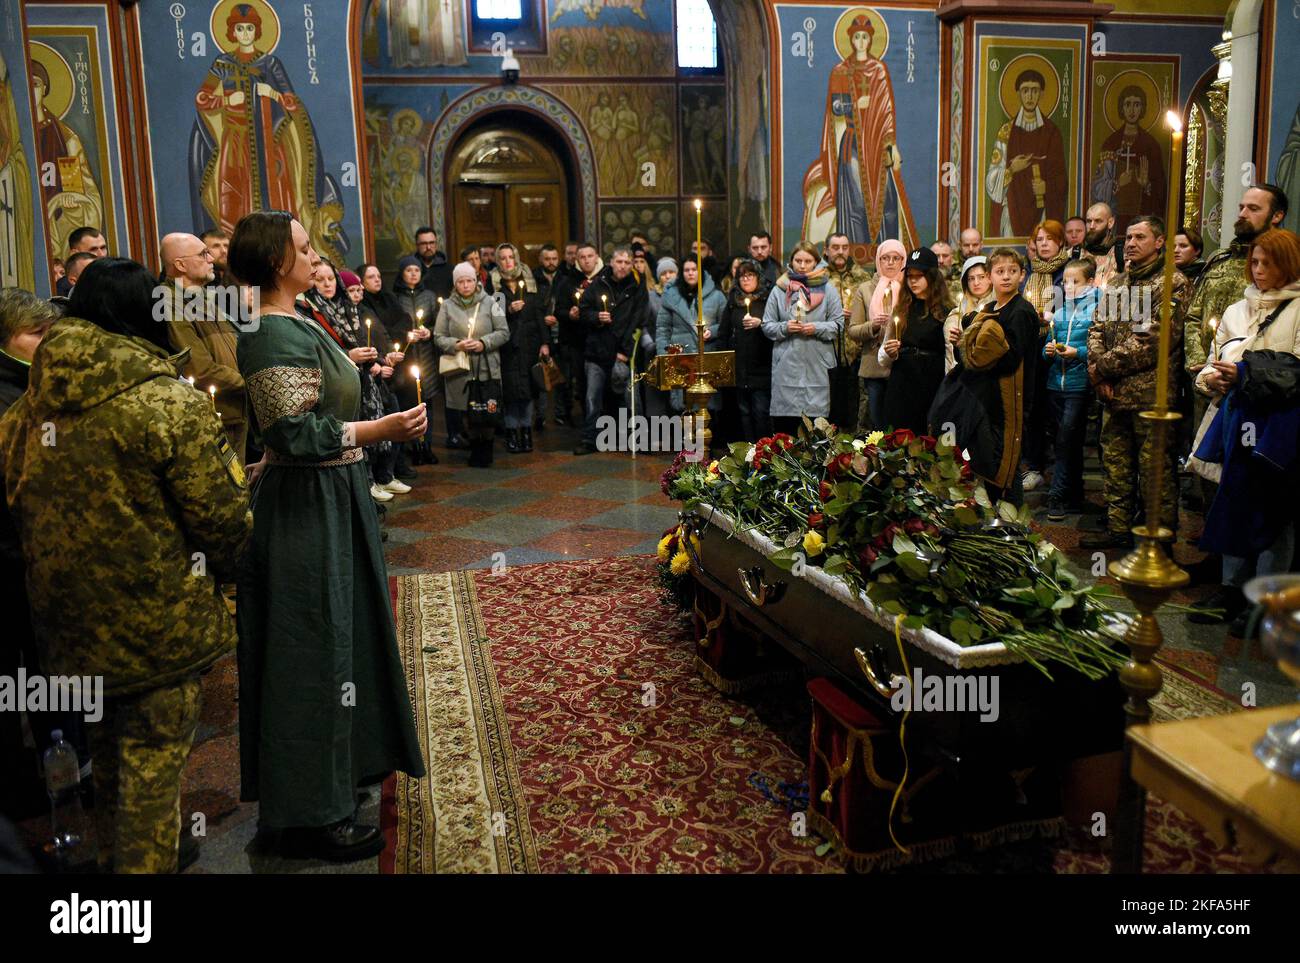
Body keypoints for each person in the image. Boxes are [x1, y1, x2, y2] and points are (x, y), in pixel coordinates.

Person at [1, 258, 252, 872]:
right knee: (148, 790)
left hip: (63, 633)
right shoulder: (165, 403)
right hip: (155, 636)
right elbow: (225, 527)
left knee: (110, 775)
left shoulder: (22, 414)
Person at [232, 211, 425, 861]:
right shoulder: (267, 327)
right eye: (303, 247)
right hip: (306, 507)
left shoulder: (302, 315)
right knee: (312, 650)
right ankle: (308, 813)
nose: (315, 256)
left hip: (333, 494)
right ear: (275, 260)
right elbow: (294, 432)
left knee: (346, 633)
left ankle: (348, 765)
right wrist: (383, 431)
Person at [1186, 228, 1300, 634]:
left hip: (1278, 427)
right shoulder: (1237, 310)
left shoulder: (1299, 309)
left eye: (1269, 262)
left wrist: (1249, 374)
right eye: (1254, 262)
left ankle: (1267, 600)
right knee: (1233, 503)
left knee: (1274, 513)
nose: (1259, 269)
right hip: (1234, 419)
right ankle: (1231, 589)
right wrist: (1209, 381)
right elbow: (1213, 361)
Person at [1083, 215, 1190, 551]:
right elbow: (1098, 328)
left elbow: (1153, 339)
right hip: (1113, 393)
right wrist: (1099, 371)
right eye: (1128, 237)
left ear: (1160, 243)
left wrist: (1102, 368)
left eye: (1140, 237)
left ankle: (1157, 542)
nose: (1130, 243)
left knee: (1155, 473)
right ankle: (1118, 530)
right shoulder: (1117, 284)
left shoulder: (1171, 283)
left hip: (1150, 396)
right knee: (1115, 466)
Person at [939, 247, 1040, 503]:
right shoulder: (990, 308)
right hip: (985, 397)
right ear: (991, 276)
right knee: (985, 462)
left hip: (1010, 399)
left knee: (1005, 465)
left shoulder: (1022, 311)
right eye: (1000, 271)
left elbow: (1008, 360)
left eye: (1012, 271)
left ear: (1022, 275)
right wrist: (963, 341)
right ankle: (993, 517)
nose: (1006, 276)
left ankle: (1014, 522)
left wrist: (979, 341)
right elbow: (970, 358)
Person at [304, 261, 403, 503]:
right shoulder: (316, 311)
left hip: (366, 380)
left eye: (330, 279)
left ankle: (379, 477)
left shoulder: (348, 308)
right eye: (320, 279)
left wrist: (377, 358)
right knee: (354, 437)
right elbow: (326, 351)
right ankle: (366, 484)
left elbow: (363, 340)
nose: (327, 284)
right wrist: (351, 357)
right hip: (341, 384)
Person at [1184, 185, 1288, 390]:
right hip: (1207, 379)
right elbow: (1193, 316)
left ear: (1276, 216)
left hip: (1257, 383)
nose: (1242, 214)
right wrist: (1201, 364)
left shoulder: (1285, 264)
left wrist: (1243, 371)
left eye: (1253, 208)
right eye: (1241, 207)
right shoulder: (1219, 259)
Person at [159, 231, 248, 461]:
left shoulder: (202, 298)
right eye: (203, 254)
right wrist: (249, 381)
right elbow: (199, 369)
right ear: (180, 264)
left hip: (234, 411)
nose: (211, 259)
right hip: (214, 418)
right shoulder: (170, 305)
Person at [762, 241, 843, 434]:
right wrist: (785, 327)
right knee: (786, 431)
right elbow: (767, 325)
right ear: (791, 262)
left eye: (808, 260)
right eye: (798, 260)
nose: (803, 265)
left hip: (817, 366)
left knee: (816, 430)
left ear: (816, 262)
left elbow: (838, 325)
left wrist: (816, 328)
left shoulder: (828, 289)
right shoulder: (780, 289)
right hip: (786, 366)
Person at [434, 261, 509, 467]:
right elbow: (439, 336)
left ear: (476, 281)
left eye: (469, 280)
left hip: (486, 365)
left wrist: (483, 343)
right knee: (469, 409)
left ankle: (487, 447)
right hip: (462, 369)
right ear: (455, 284)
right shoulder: (448, 306)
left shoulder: (490, 302)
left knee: (487, 408)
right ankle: (475, 447)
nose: (466, 285)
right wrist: (457, 344)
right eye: (461, 282)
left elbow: (503, 332)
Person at [1042, 258, 1100, 520]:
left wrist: (1079, 353)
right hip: (1056, 384)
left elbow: (1100, 350)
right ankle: (1076, 494)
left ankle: (1057, 495)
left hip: (1078, 385)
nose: (1068, 286)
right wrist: (1049, 351)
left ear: (1090, 282)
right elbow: (1046, 348)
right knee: (1066, 441)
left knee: (1066, 439)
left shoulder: (1098, 310)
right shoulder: (1062, 312)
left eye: (1075, 281)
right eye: (1065, 281)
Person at [574, 247, 645, 455]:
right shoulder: (598, 284)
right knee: (592, 398)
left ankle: (638, 440)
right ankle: (589, 440)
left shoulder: (636, 287)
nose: (622, 265)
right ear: (611, 263)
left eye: (627, 262)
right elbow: (584, 312)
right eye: (619, 261)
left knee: (632, 398)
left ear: (631, 265)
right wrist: (597, 317)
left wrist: (625, 351)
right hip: (597, 351)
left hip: (623, 353)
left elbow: (638, 320)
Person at [356, 262, 423, 475]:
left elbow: (405, 319)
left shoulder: (389, 298)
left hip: (397, 362)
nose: (377, 280)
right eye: (371, 277)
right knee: (390, 416)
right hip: (380, 366)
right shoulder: (363, 306)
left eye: (378, 275)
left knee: (405, 407)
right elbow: (381, 331)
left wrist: (397, 334)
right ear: (362, 283)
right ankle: (388, 469)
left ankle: (401, 461)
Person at [877, 247, 953, 434]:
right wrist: (889, 352)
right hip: (901, 383)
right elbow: (882, 358)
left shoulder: (945, 311)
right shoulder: (901, 309)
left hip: (931, 383)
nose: (913, 281)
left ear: (932, 277)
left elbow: (950, 357)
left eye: (919, 276)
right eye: (910, 275)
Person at [1020, 219, 1071, 490]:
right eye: (1039, 239)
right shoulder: (1031, 272)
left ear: (1060, 242)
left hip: (1061, 347)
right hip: (1034, 347)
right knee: (1034, 409)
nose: (1044, 244)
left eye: (1049, 239)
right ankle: (1036, 465)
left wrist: (1053, 315)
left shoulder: (1068, 271)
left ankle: (1063, 474)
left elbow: (1075, 304)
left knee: (1059, 413)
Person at [986, 69, 1068, 236]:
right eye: (1025, 90)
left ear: (1041, 93)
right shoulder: (1006, 132)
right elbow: (991, 180)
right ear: (1018, 93)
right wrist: (1011, 170)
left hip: (1042, 211)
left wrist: (1047, 187)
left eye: (1034, 90)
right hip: (1013, 210)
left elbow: (1061, 178)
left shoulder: (1052, 132)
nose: (1030, 96)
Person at [655, 253, 725, 417]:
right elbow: (662, 328)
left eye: (694, 269)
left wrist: (712, 331)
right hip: (680, 358)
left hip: (706, 357)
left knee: (706, 406)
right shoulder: (671, 296)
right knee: (684, 407)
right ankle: (688, 441)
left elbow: (725, 325)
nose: (691, 273)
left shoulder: (716, 296)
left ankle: (706, 440)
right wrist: (663, 357)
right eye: (686, 270)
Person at [495, 242, 548, 453]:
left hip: (529, 344)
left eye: (511, 257)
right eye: (503, 258)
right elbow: (493, 318)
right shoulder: (495, 286)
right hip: (507, 347)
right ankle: (511, 433)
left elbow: (538, 315)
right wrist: (508, 309)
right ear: (498, 262)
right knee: (510, 393)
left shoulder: (528, 283)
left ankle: (526, 432)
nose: (508, 262)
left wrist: (545, 342)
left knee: (527, 391)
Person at [847, 239, 905, 431]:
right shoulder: (865, 289)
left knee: (899, 422)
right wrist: (873, 326)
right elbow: (853, 330)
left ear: (903, 261)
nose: (890, 262)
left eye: (895, 258)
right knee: (876, 422)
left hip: (902, 363)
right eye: (885, 258)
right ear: (878, 261)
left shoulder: (908, 288)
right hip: (874, 364)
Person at [717, 259, 774, 441]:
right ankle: (747, 454)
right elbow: (724, 332)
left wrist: (761, 323)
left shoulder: (768, 299)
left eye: (750, 275)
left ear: (758, 277)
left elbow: (775, 328)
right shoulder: (734, 301)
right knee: (744, 413)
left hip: (762, 366)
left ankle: (763, 453)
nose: (746, 280)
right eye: (742, 276)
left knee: (761, 412)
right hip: (739, 367)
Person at [391, 255, 442, 456]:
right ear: (402, 273)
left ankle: (426, 444)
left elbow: (440, 323)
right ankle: (413, 445)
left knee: (426, 401)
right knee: (409, 402)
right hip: (407, 357)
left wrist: (429, 331)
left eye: (417, 270)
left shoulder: (429, 296)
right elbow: (393, 326)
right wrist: (406, 335)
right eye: (408, 270)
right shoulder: (395, 298)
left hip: (427, 355)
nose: (413, 274)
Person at [552, 242, 603, 426]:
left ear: (596, 257)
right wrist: (569, 314)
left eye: (590, 256)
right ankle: (587, 421)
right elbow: (559, 310)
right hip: (576, 340)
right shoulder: (568, 281)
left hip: (600, 339)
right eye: (582, 257)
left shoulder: (605, 278)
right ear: (576, 260)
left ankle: (604, 421)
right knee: (581, 382)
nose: (587, 260)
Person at [943, 255, 991, 371]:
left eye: (981, 277)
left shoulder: (998, 307)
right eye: (971, 278)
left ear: (990, 278)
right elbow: (950, 357)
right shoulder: (956, 315)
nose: (976, 283)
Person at [394, 226, 453, 299]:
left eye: (431, 243)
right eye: (424, 243)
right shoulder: (408, 269)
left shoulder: (448, 269)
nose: (428, 247)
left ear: (436, 244)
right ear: (417, 245)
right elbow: (399, 295)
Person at [55, 227, 107, 296]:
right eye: (93, 249)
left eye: (103, 248)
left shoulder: (116, 278)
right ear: (75, 254)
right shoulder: (63, 288)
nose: (101, 255)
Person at [1082, 202, 1123, 287]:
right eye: (1089, 221)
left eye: (1098, 221)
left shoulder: (1122, 253)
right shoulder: (1075, 253)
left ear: (1110, 223)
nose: (1092, 226)